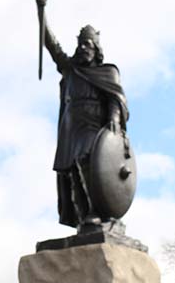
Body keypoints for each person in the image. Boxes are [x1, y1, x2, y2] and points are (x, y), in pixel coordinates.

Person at [42, 15, 129, 229]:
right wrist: (41, 11)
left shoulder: (107, 72)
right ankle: (84, 218)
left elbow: (115, 99)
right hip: (71, 129)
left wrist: (114, 119)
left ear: (96, 48)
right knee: (71, 172)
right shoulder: (71, 69)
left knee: (87, 162)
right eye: (80, 44)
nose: (82, 48)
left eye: (87, 44)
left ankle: (97, 210)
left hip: (94, 126)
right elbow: (51, 44)